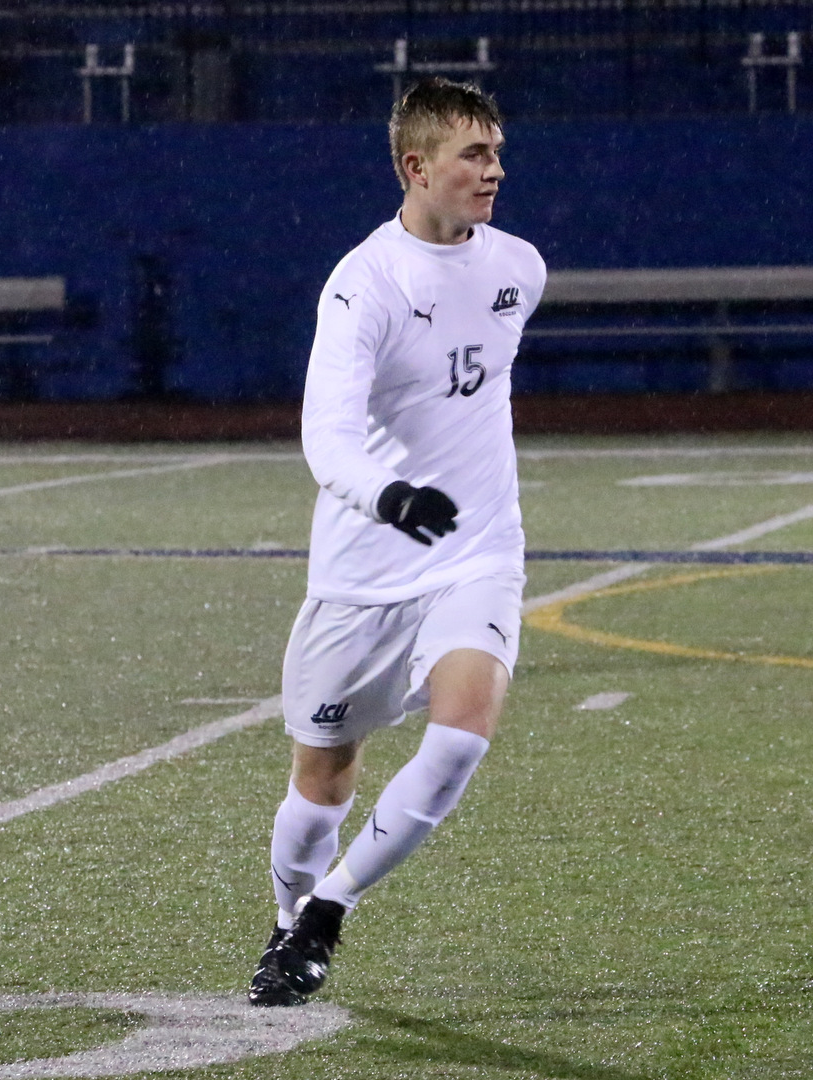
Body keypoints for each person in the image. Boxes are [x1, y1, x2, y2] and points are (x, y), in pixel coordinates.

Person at [247, 76, 545, 1008]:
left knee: (460, 737)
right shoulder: (364, 282)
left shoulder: (519, 268)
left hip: (478, 553)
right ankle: (290, 921)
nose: (494, 170)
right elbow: (324, 434)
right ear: (416, 167)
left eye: (495, 152)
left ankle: (329, 913)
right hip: (364, 572)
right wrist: (388, 494)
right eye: (473, 154)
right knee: (321, 784)